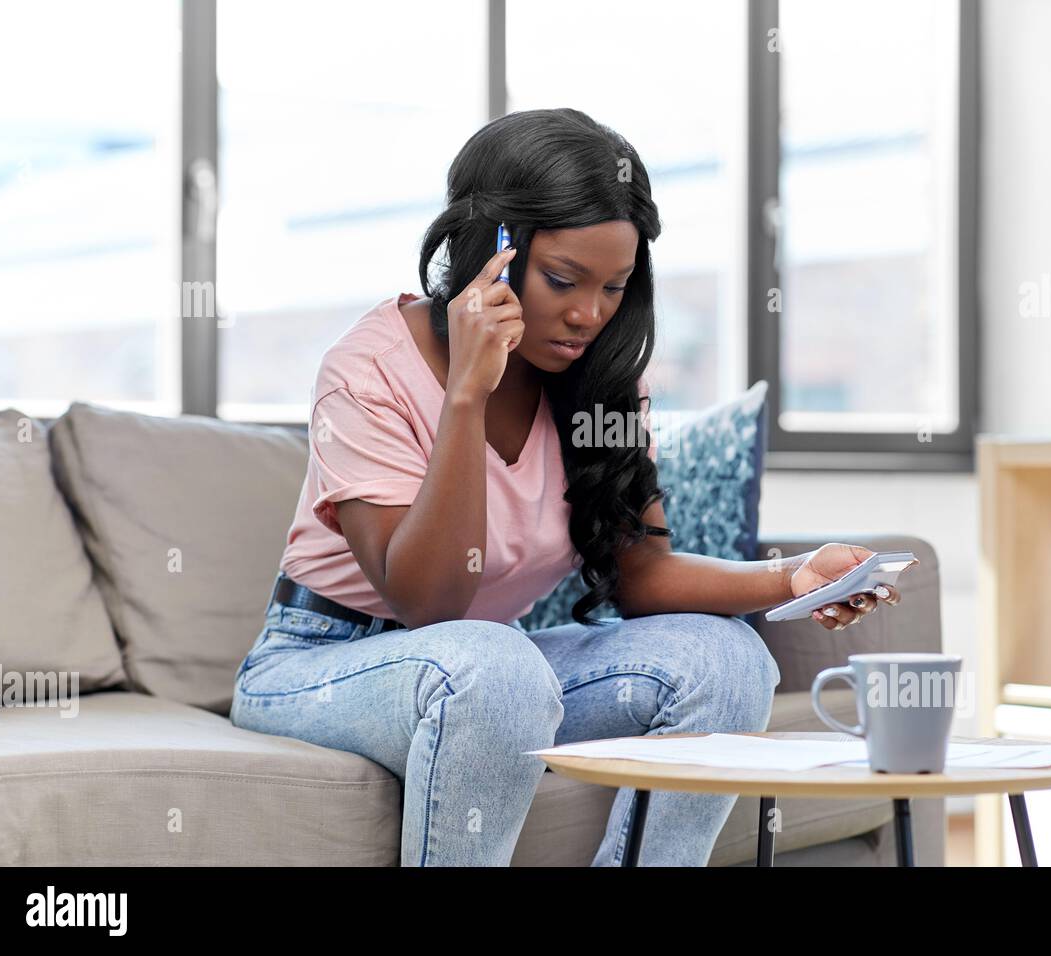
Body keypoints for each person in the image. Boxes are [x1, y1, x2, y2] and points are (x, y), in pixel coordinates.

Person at [229, 107, 900, 866]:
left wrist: (791, 577)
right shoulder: (367, 368)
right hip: (323, 663)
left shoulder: (602, 379)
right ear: (493, 257)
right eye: (562, 280)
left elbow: (638, 575)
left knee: (731, 661)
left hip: (488, 670)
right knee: (498, 669)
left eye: (614, 287)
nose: (589, 314)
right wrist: (465, 398)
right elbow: (430, 602)